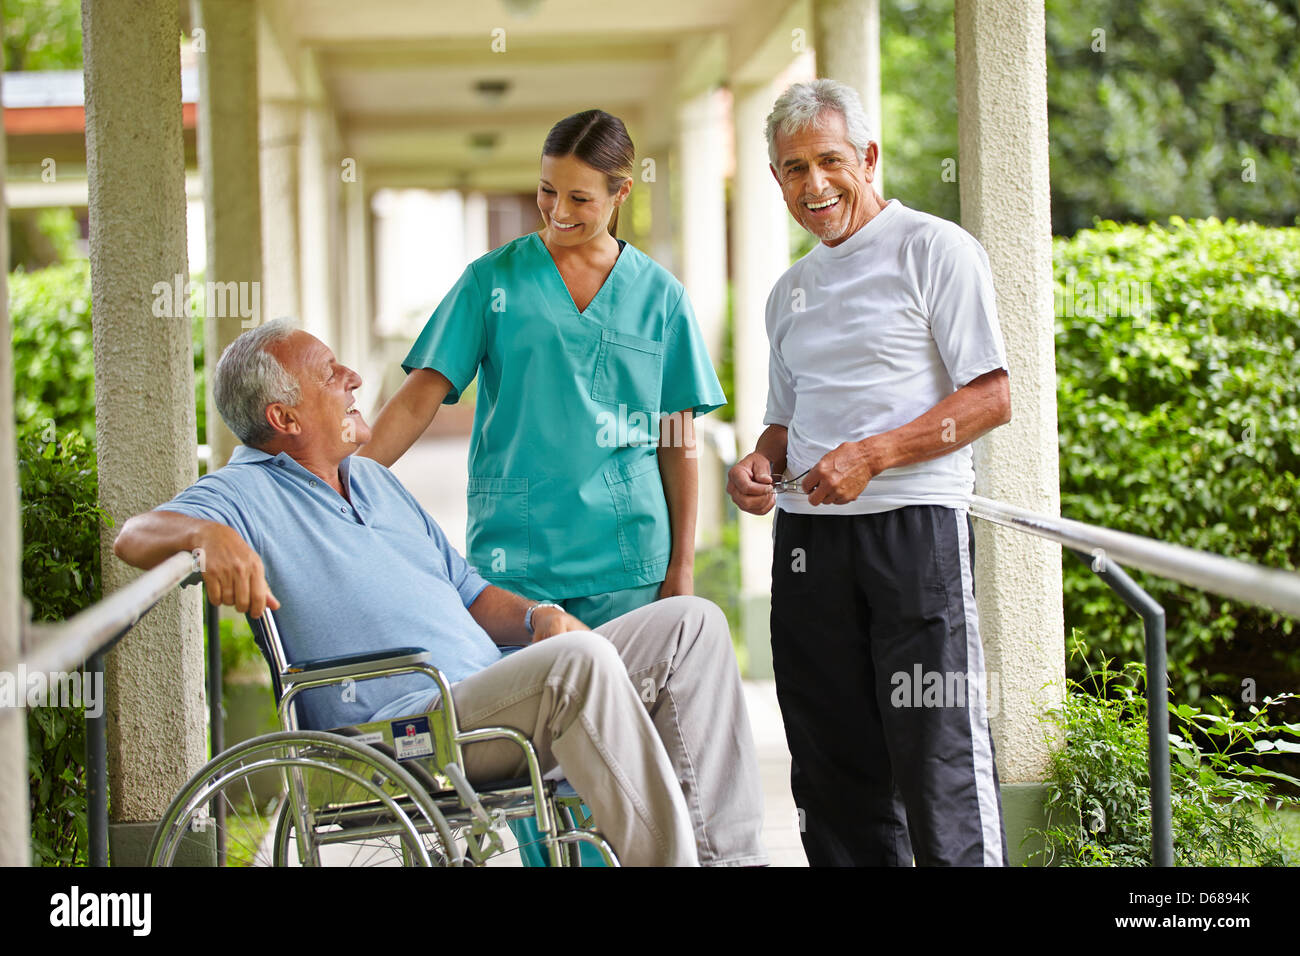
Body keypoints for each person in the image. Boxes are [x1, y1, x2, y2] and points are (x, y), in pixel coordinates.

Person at [113, 320, 767, 868]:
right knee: (581, 666)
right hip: (400, 733)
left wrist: (541, 616)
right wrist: (206, 534)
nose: (355, 381)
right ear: (283, 417)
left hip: (489, 695)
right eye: (331, 373)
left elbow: (471, 591)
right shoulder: (246, 490)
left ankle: (729, 861)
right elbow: (133, 536)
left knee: (693, 625)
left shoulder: (371, 480)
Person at [726, 79, 1012, 866]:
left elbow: (991, 397)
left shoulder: (935, 249)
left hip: (915, 534)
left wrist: (876, 454)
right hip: (809, 546)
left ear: (869, 159)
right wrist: (756, 465)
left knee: (937, 753)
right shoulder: (788, 294)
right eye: (792, 169)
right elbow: (784, 422)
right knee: (830, 765)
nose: (813, 185)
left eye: (829, 161)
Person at [359, 109, 725, 630]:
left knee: (622, 709)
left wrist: (680, 567)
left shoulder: (660, 296)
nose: (558, 211)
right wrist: (342, 484)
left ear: (621, 194)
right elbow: (420, 396)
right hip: (518, 557)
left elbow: (676, 436)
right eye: (548, 190)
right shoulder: (491, 282)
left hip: (627, 560)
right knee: (527, 707)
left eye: (580, 198)